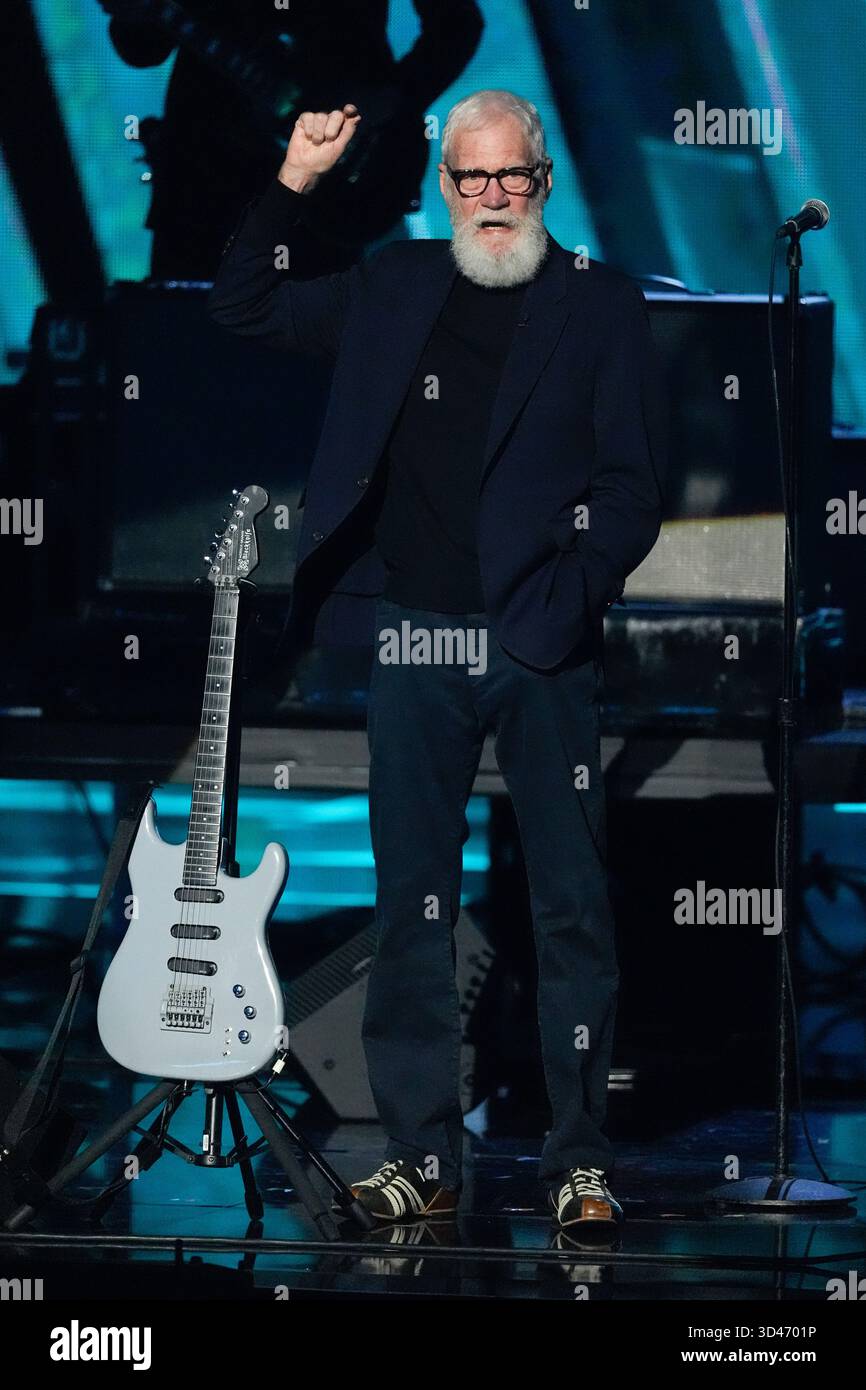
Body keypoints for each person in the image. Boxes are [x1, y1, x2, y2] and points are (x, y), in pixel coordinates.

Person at [209, 90, 667, 1233]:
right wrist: (296, 179)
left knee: (568, 911)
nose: (492, 198)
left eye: (510, 177)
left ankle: (577, 1161)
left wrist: (558, 607)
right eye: (470, 179)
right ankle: (421, 1155)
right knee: (410, 908)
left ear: (543, 179)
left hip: (536, 644)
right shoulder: (393, 285)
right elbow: (243, 303)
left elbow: (631, 489)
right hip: (414, 638)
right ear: (444, 187)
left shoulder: (599, 306)